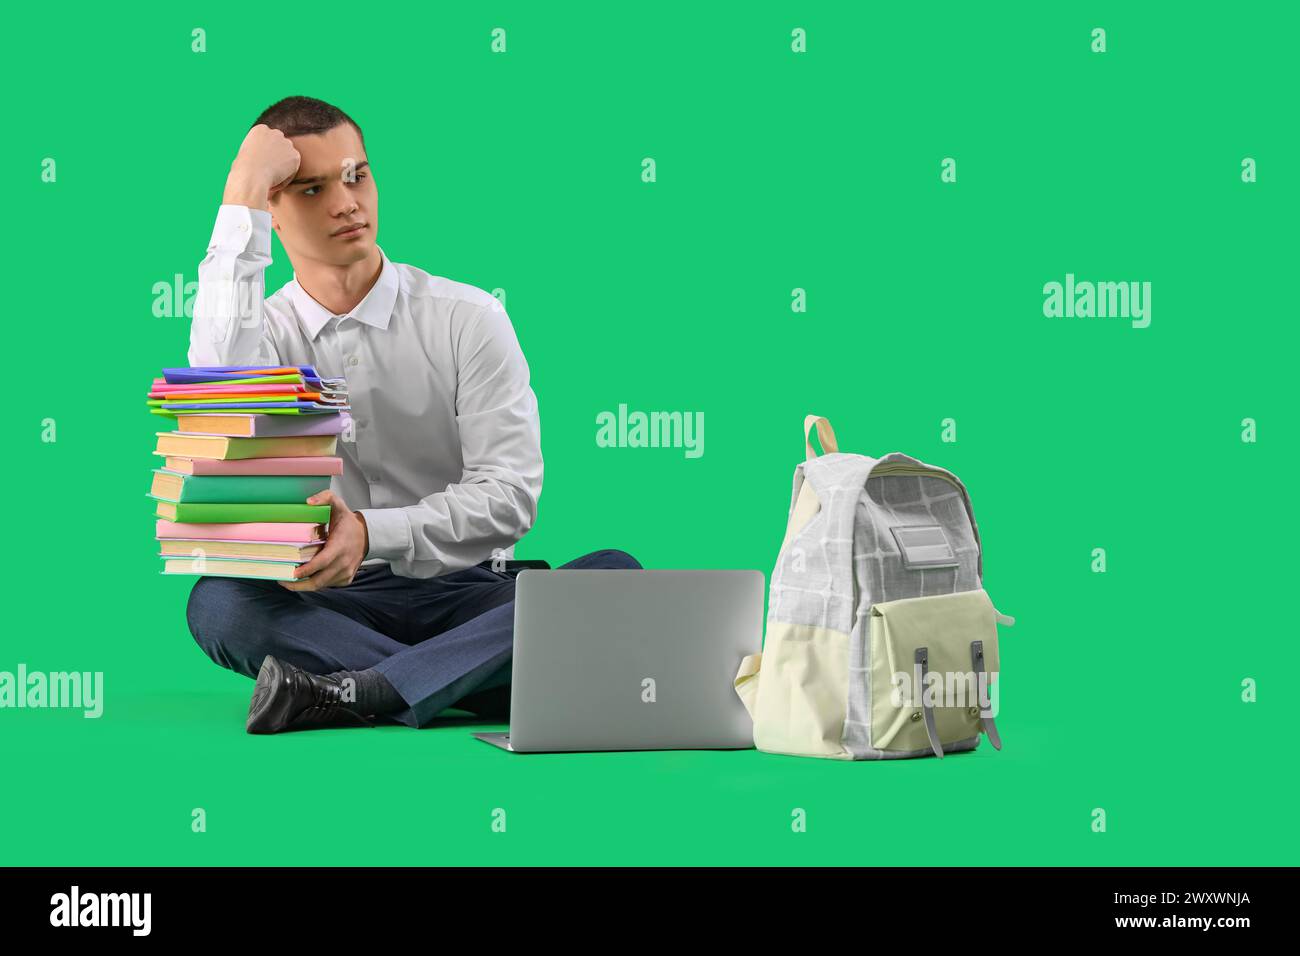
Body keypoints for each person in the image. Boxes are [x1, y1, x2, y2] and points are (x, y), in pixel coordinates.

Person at [183, 95, 640, 733]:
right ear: (272, 217)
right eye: (312, 189)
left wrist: (371, 532)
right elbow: (218, 404)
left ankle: (353, 690)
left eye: (355, 175)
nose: (346, 202)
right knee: (218, 605)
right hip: (329, 603)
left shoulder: (467, 317)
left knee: (614, 576)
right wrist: (238, 197)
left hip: (472, 592)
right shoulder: (264, 337)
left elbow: (509, 497)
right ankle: (468, 678)